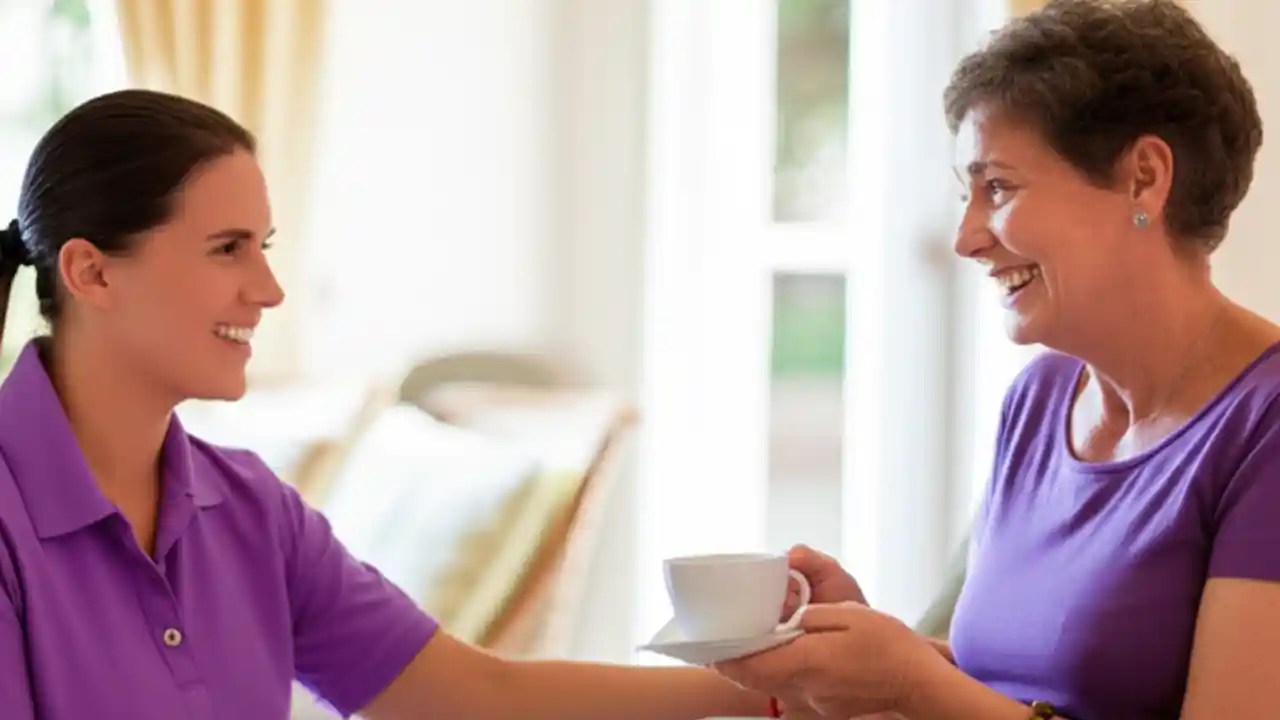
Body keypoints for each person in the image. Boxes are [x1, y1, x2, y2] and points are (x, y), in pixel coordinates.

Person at [0, 88, 796, 719]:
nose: (269, 290)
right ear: (93, 273)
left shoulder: (248, 511)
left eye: (264, 248)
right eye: (227, 249)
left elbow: (475, 697)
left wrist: (790, 687)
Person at [712, 1, 1280, 718]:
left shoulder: (1266, 425)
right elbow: (1020, 692)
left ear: (1143, 178)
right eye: (965, 195)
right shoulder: (1041, 400)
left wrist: (912, 682)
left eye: (999, 189)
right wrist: (875, 656)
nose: (967, 238)